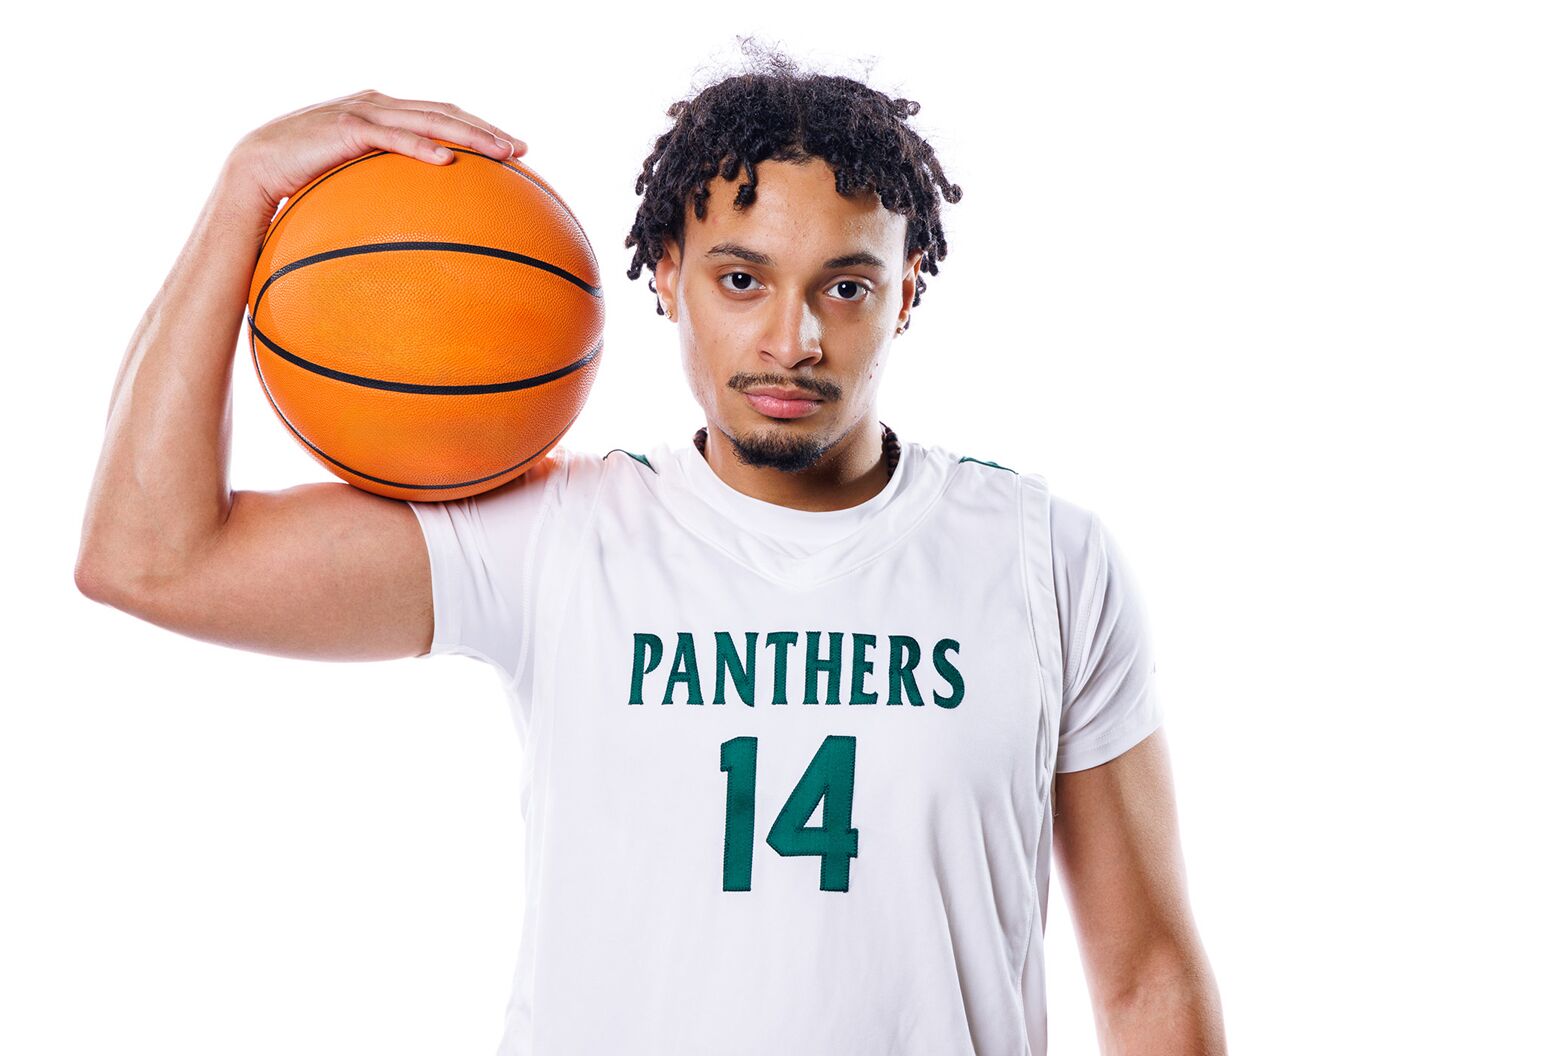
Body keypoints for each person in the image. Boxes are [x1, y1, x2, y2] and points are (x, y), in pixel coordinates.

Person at [76, 54, 1225, 1056]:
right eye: (741, 278)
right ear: (664, 276)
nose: (794, 338)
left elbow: (1146, 978)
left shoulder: (1045, 560)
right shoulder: (554, 538)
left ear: (906, 296)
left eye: (847, 286)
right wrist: (244, 188)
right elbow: (150, 556)